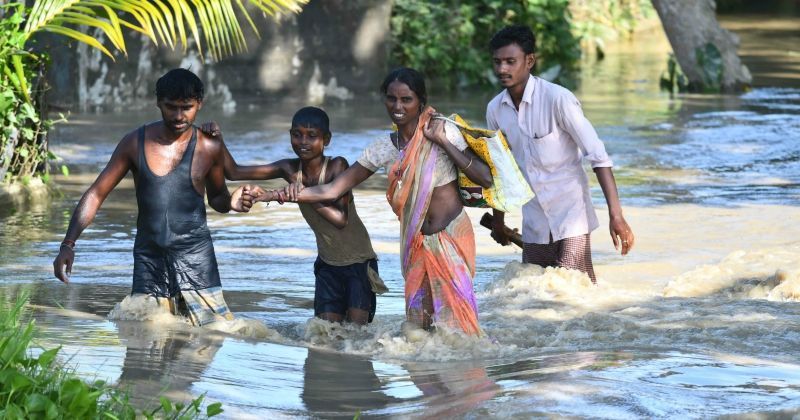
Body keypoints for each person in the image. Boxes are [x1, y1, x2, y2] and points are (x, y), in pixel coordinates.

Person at [254, 68, 493, 336]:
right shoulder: (383, 147)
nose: (398, 106)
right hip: (415, 243)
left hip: (450, 236)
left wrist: (441, 141)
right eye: (392, 99)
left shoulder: (444, 130)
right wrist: (272, 195)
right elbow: (333, 190)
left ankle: (469, 375)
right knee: (420, 330)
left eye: (407, 99)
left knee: (460, 330)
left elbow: (485, 178)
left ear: (421, 101)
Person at [52, 68, 254, 326]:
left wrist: (232, 203)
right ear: (158, 102)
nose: (179, 116)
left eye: (187, 107)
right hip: (149, 259)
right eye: (171, 107)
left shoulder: (209, 146)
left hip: (196, 259)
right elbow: (96, 193)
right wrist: (68, 244)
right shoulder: (134, 143)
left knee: (211, 337)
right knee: (143, 344)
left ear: (199, 105)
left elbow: (218, 199)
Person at [202, 106, 386, 325]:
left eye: (312, 136)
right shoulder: (289, 169)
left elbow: (340, 219)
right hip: (328, 263)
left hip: (359, 262)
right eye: (296, 135)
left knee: (357, 336)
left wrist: (299, 195)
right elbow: (233, 171)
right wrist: (218, 140)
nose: (303, 142)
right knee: (325, 334)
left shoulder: (337, 166)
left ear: (326, 139)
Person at [485, 25, 635, 284]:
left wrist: (616, 215)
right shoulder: (495, 110)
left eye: (510, 61)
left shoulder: (558, 99)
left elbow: (598, 157)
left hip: (571, 217)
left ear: (529, 61)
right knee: (533, 297)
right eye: (497, 62)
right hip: (533, 222)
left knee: (574, 296)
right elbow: (500, 169)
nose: (502, 69)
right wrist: (499, 221)